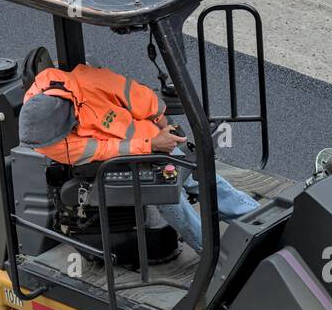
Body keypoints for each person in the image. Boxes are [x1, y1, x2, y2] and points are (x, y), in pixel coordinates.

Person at [19, 63, 256, 252]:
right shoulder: (45, 139)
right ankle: (214, 254)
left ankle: (253, 220)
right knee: (168, 195)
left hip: (151, 139)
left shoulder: (90, 83)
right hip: (118, 159)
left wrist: (166, 127)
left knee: (197, 176)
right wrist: (150, 145)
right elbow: (103, 150)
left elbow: (135, 95)